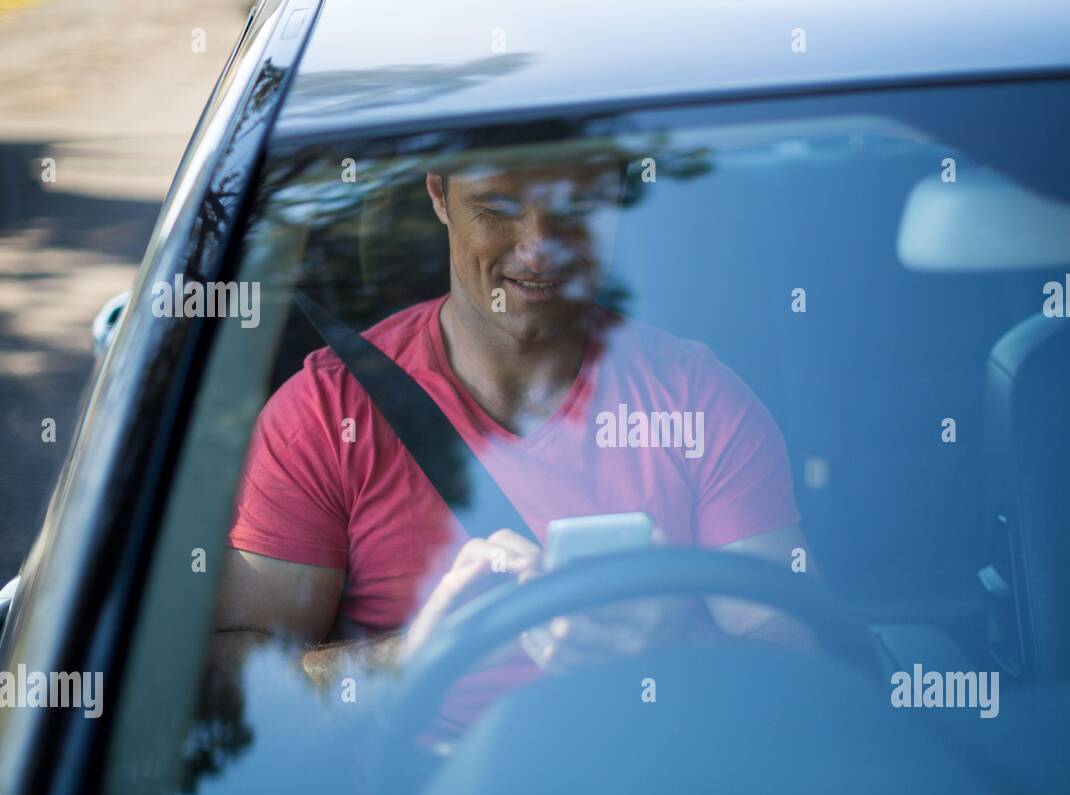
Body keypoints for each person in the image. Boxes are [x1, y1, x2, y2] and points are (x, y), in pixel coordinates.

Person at [214, 153, 810, 736]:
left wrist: (677, 645)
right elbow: (228, 677)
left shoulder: (695, 400)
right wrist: (413, 658)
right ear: (439, 195)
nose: (538, 248)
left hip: (665, 780)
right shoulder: (326, 415)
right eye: (498, 207)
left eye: (576, 207)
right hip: (426, 793)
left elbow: (799, 664)